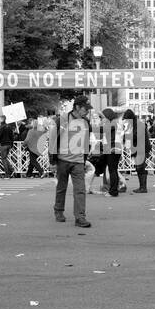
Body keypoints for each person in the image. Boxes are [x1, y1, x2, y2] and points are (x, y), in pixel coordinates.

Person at [52, 97, 92, 228]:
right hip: (63, 160)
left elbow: (87, 141)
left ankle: (80, 217)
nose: (87, 112)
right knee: (61, 188)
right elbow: (53, 139)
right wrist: (52, 160)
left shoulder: (86, 122)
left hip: (78, 161)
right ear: (77, 107)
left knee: (80, 190)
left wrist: (84, 159)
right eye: (85, 109)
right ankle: (58, 211)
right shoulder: (62, 120)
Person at [123, 108, 151, 193]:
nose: (126, 121)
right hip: (138, 149)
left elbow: (136, 136)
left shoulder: (139, 124)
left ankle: (143, 188)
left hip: (142, 149)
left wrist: (126, 136)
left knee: (140, 168)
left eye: (127, 119)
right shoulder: (134, 124)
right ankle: (142, 187)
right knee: (139, 168)